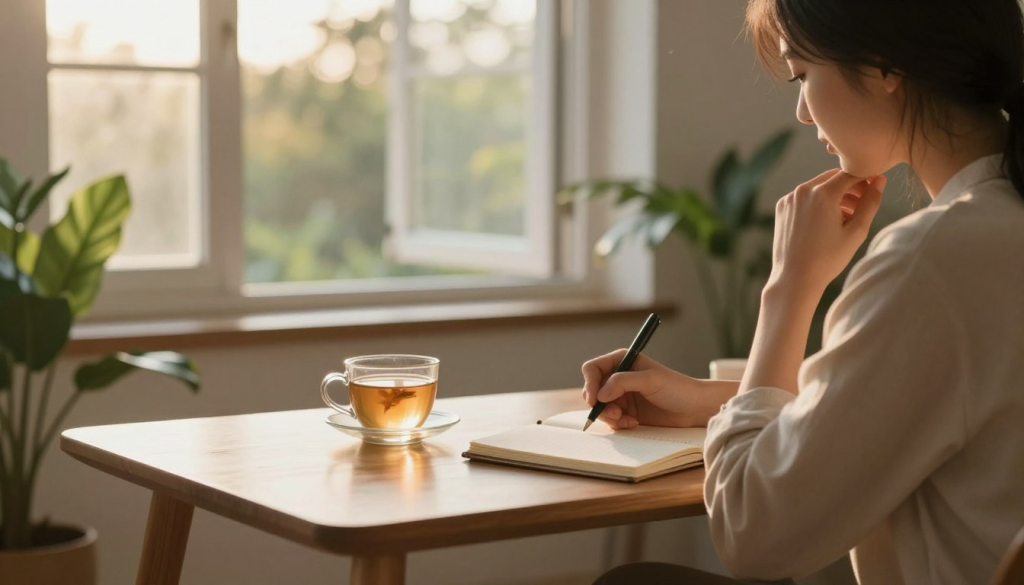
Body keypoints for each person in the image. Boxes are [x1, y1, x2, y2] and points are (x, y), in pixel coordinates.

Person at [584, 0, 1024, 583]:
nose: (800, 110)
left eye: (801, 74)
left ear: (882, 67)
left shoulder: (934, 259)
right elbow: (924, 405)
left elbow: (751, 532)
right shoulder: (996, 227)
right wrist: (710, 401)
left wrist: (789, 286)